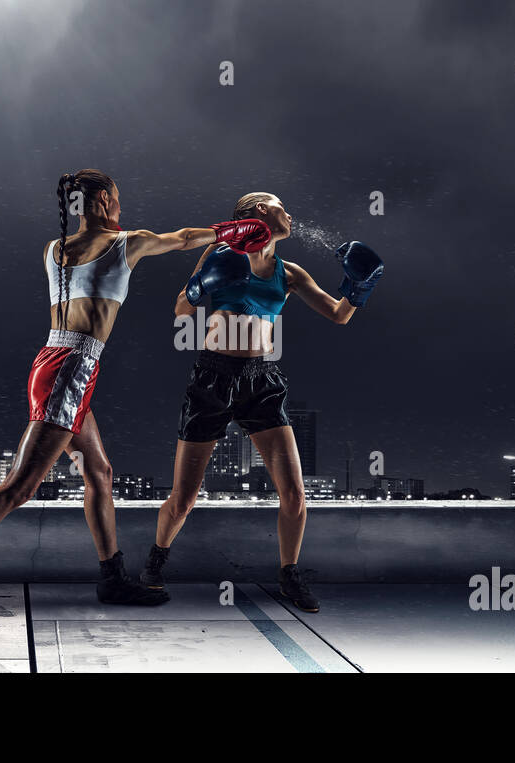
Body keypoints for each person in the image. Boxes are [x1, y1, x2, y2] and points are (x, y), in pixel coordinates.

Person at [0, 169, 272, 640]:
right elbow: (182, 239)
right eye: (116, 199)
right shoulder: (128, 242)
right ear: (102, 200)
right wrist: (230, 231)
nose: (121, 206)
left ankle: (112, 579)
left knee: (98, 473)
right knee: (19, 487)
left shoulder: (54, 249)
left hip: (54, 360)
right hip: (73, 367)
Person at [140, 192, 384, 612]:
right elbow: (181, 309)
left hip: (263, 382)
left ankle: (289, 574)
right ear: (255, 213)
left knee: (294, 493)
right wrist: (202, 285)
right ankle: (153, 565)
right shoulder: (221, 253)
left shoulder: (290, 273)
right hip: (212, 379)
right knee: (183, 498)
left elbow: (339, 315)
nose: (288, 212)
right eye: (278, 205)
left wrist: (358, 287)